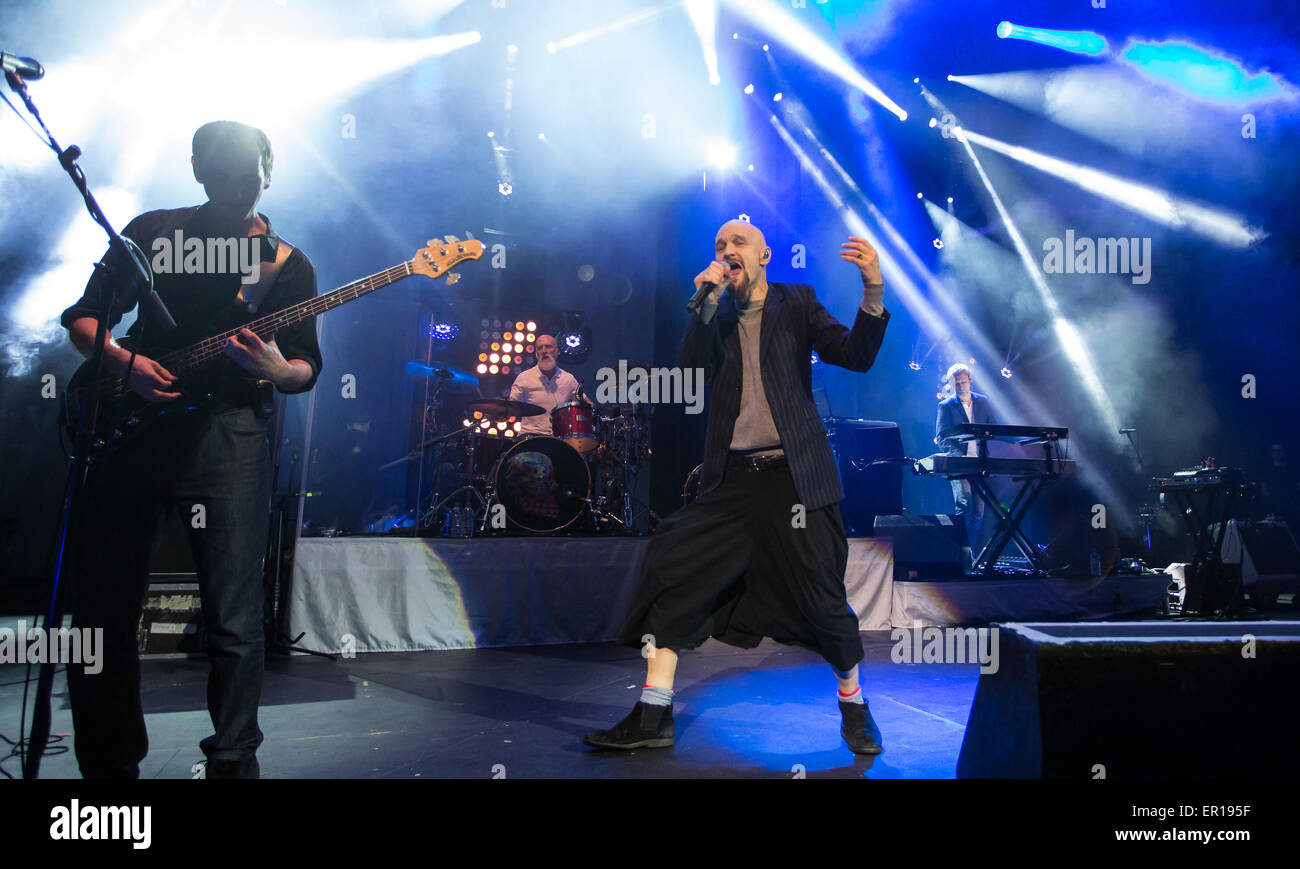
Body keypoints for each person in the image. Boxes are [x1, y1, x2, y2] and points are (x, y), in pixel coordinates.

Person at [60, 121, 322, 779]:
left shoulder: (287, 265)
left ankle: (233, 759)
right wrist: (126, 364)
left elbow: (306, 367)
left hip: (232, 433)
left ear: (270, 171)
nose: (236, 190)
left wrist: (275, 368)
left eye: (248, 177)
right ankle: (109, 765)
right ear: (197, 170)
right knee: (103, 605)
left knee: (234, 613)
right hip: (134, 430)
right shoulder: (153, 232)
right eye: (222, 176)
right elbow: (84, 318)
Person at [583, 219, 891, 755]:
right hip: (732, 480)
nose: (728, 251)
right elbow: (689, 371)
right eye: (720, 245)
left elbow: (855, 356)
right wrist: (704, 301)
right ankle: (654, 713)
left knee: (822, 598)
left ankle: (854, 705)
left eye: (738, 244)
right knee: (670, 564)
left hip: (796, 478)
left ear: (765, 254)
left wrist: (872, 289)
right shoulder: (714, 314)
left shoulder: (796, 302)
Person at [934, 363, 995, 554]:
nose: (961, 386)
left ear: (970, 381)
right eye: (957, 383)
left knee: (978, 514)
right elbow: (941, 437)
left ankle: (973, 555)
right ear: (951, 385)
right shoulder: (946, 406)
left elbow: (993, 429)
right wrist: (959, 456)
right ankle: (963, 555)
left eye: (963, 382)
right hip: (960, 465)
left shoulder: (983, 402)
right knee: (965, 507)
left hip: (980, 463)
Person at [508, 334, 582, 436]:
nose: (544, 351)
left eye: (548, 347)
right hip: (529, 437)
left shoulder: (568, 379)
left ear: (557, 351)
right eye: (539, 348)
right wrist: (501, 412)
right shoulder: (524, 377)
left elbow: (585, 404)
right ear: (536, 354)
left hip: (558, 438)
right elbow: (510, 406)